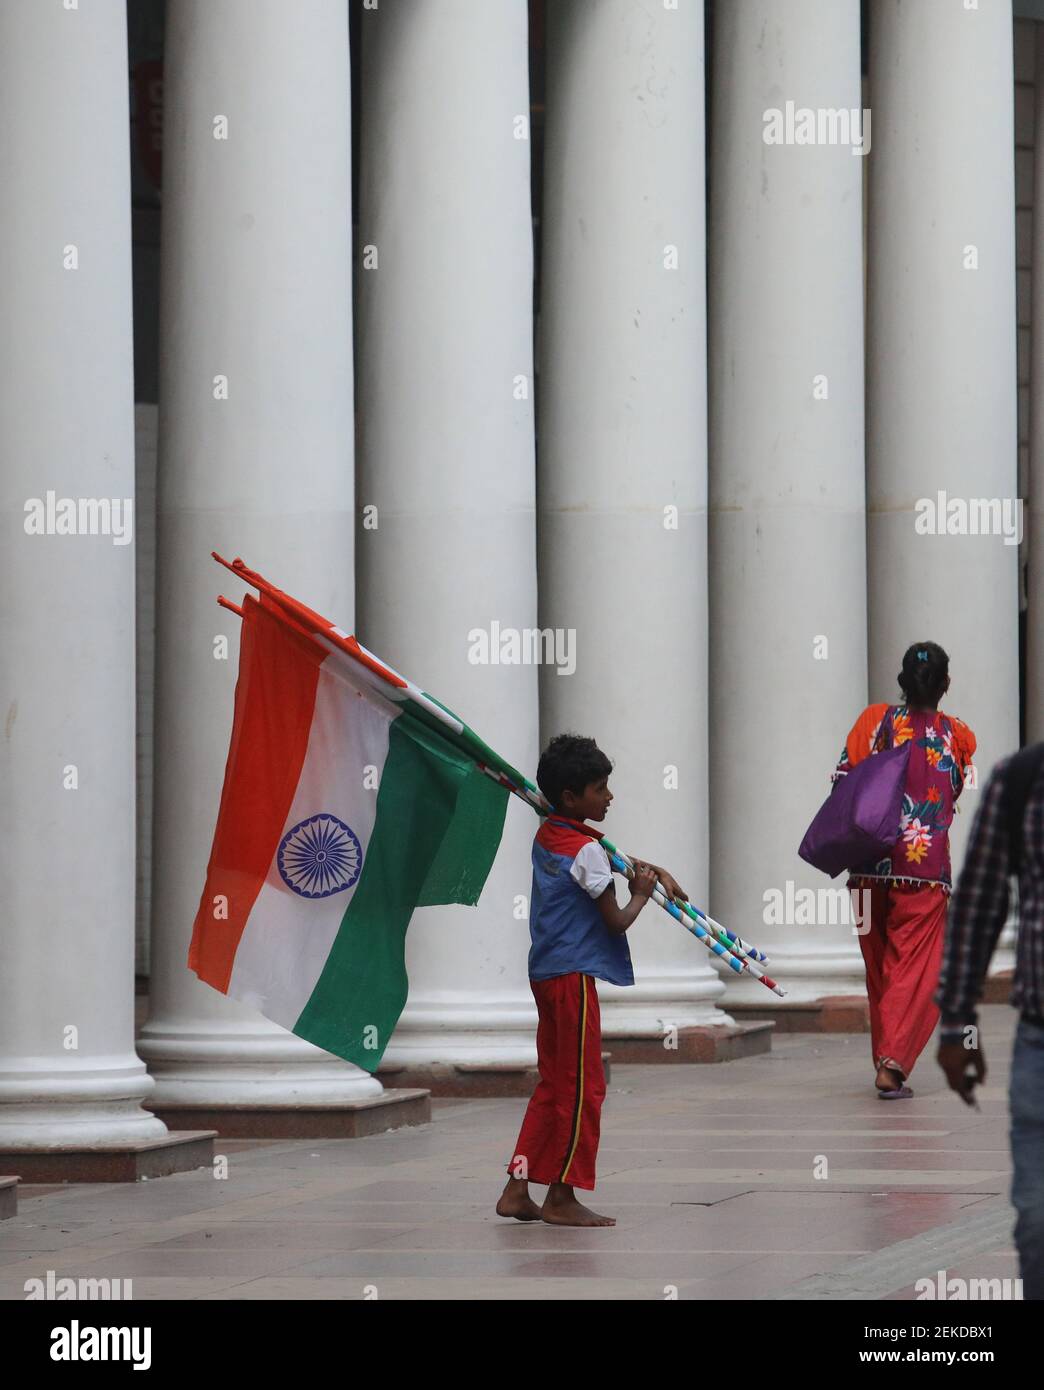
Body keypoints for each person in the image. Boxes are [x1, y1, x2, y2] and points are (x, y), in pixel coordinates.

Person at [496, 733, 686, 1227]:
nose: (609, 797)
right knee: (584, 1089)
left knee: (554, 1085)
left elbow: (600, 857)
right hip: (573, 977)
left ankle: (518, 1187)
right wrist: (642, 893)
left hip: (546, 972)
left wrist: (653, 869)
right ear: (570, 798)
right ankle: (562, 1195)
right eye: (600, 789)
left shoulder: (551, 835)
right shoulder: (585, 851)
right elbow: (616, 921)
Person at [831, 642, 976, 1097]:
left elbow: (841, 783)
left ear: (901, 680)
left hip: (865, 869)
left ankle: (885, 1056)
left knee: (879, 967)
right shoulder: (960, 735)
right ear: (946, 684)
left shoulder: (872, 722)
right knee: (913, 969)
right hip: (924, 869)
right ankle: (891, 1064)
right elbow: (951, 793)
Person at [935, 741, 1044, 1300]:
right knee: (1038, 1221)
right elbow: (979, 900)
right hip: (1041, 1039)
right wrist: (956, 1021)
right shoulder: (1022, 780)